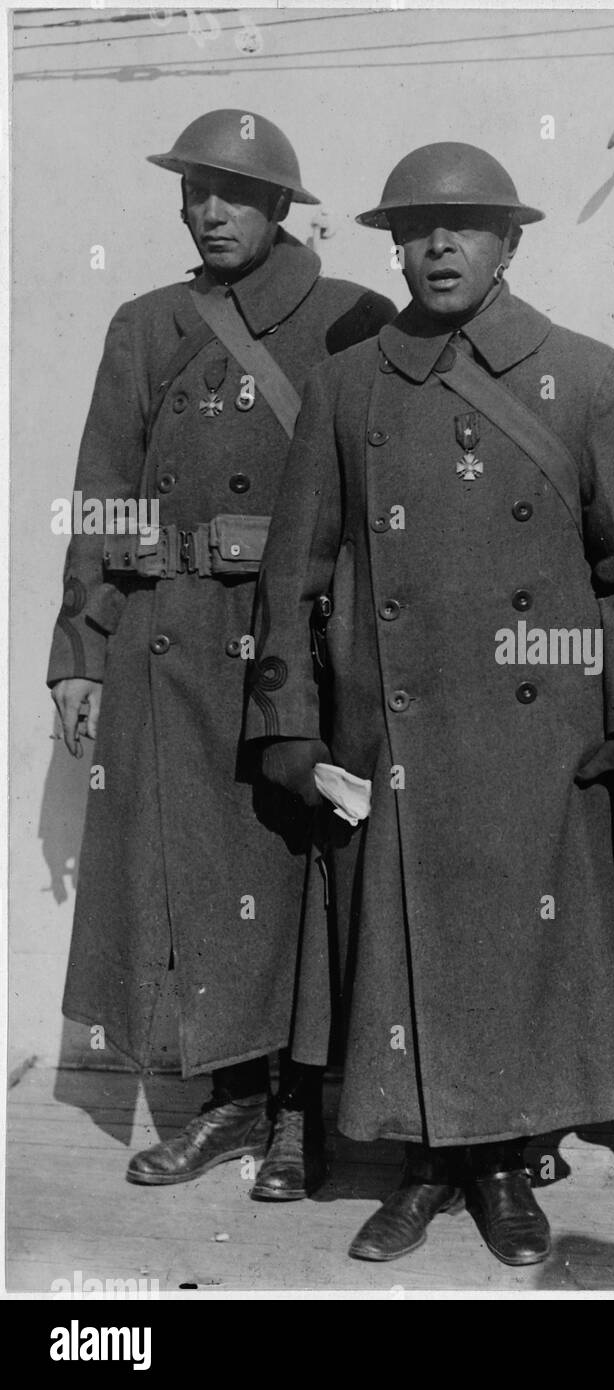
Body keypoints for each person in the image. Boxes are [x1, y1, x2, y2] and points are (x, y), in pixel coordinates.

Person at [249, 141, 614, 1266]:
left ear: (511, 241)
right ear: (393, 244)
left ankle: (501, 1164)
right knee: (403, 954)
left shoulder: (586, 376)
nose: (436, 247)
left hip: (539, 735)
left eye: (464, 226)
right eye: (414, 228)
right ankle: (422, 1164)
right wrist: (290, 727)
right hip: (390, 728)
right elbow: (293, 565)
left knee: (514, 951)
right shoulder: (350, 385)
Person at [47, 109, 396, 1200]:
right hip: (167, 642)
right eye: (195, 190)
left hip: (293, 643)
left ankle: (300, 1109)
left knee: (294, 872)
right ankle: (229, 1099)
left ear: (282, 206)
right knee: (193, 874)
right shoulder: (147, 323)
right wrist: (80, 652)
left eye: (234, 193)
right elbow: (102, 490)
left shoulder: (353, 316)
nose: (209, 210)